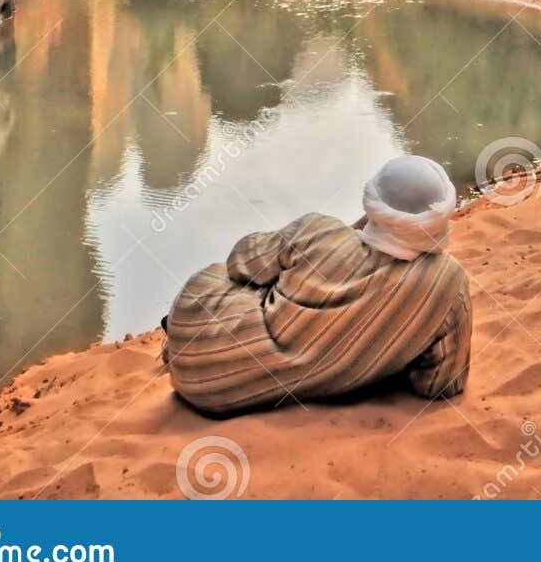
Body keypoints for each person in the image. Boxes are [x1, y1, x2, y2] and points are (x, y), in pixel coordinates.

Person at [163, 155, 471, 415]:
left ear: (372, 203)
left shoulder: (319, 231)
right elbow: (442, 384)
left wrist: (344, 239)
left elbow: (240, 263)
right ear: (443, 213)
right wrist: (385, 352)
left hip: (193, 347)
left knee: (234, 275)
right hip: (229, 393)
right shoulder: (449, 284)